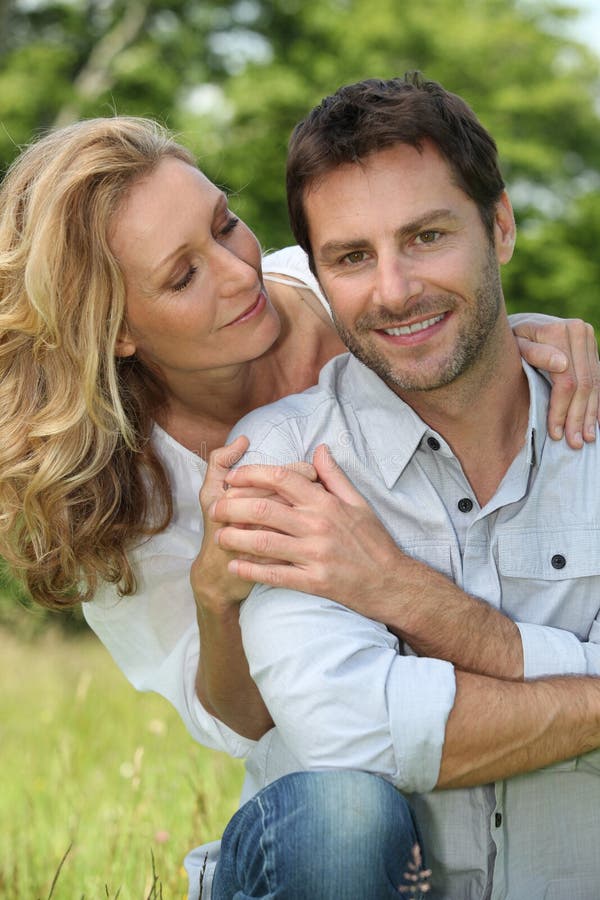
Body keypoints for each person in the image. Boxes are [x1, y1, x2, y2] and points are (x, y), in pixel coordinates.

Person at [0, 114, 597, 899]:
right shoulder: (131, 496)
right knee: (343, 809)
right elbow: (260, 724)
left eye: (226, 225)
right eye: (183, 277)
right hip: (325, 816)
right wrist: (217, 597)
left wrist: (533, 340)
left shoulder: (349, 284)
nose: (240, 275)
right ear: (117, 333)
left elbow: (452, 317)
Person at [204, 74, 600, 899]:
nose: (394, 291)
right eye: (352, 257)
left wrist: (408, 597)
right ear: (318, 273)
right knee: (339, 815)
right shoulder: (281, 463)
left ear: (500, 226)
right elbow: (355, 731)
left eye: (425, 237)